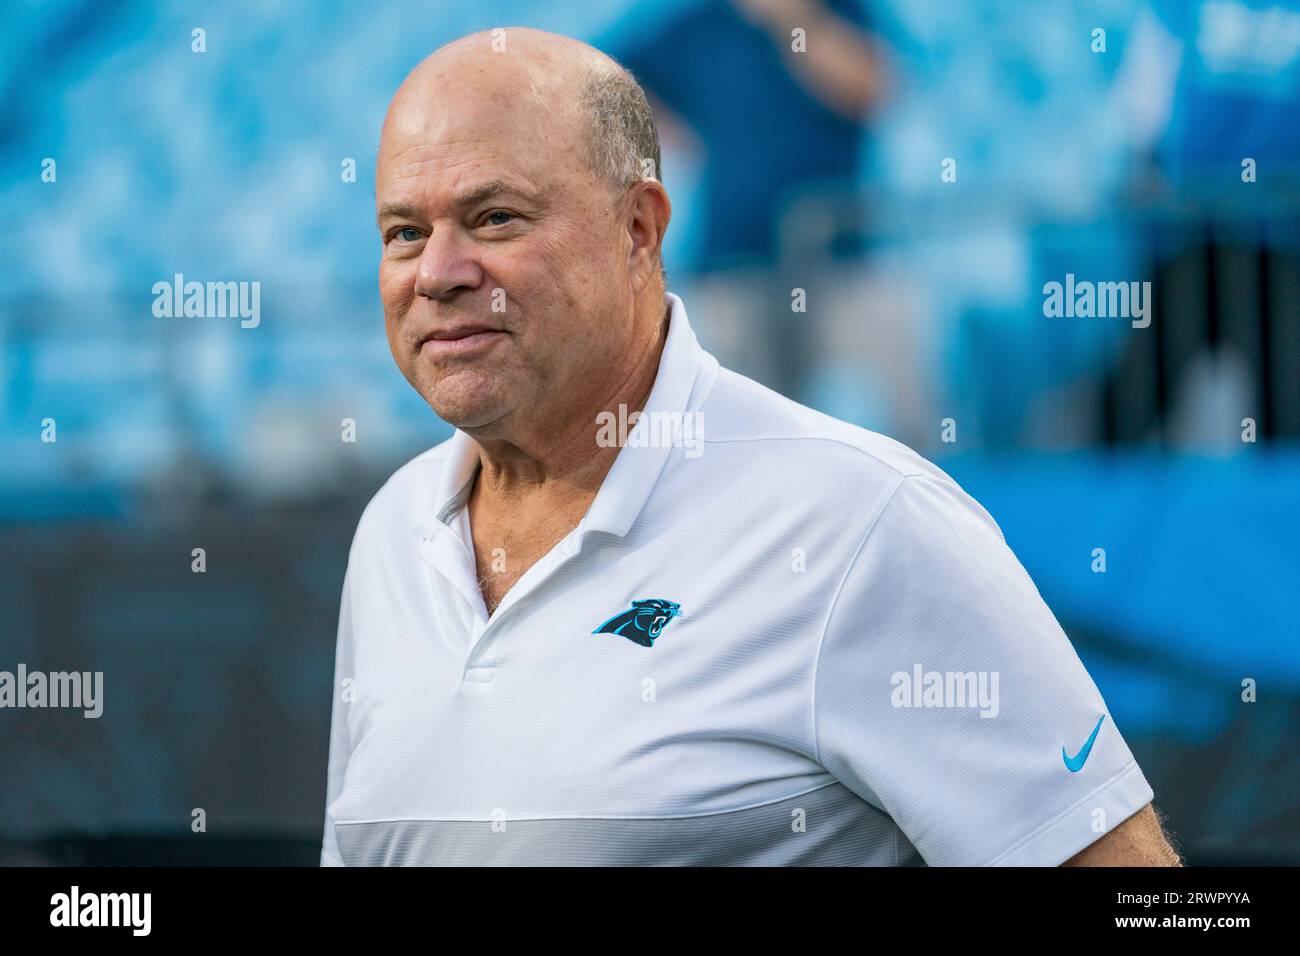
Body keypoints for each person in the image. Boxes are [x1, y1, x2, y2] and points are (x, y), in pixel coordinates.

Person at [321, 27, 1181, 866]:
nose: (437, 271)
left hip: (842, 271)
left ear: (638, 229)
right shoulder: (394, 533)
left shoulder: (865, 523)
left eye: (495, 217)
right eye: (403, 232)